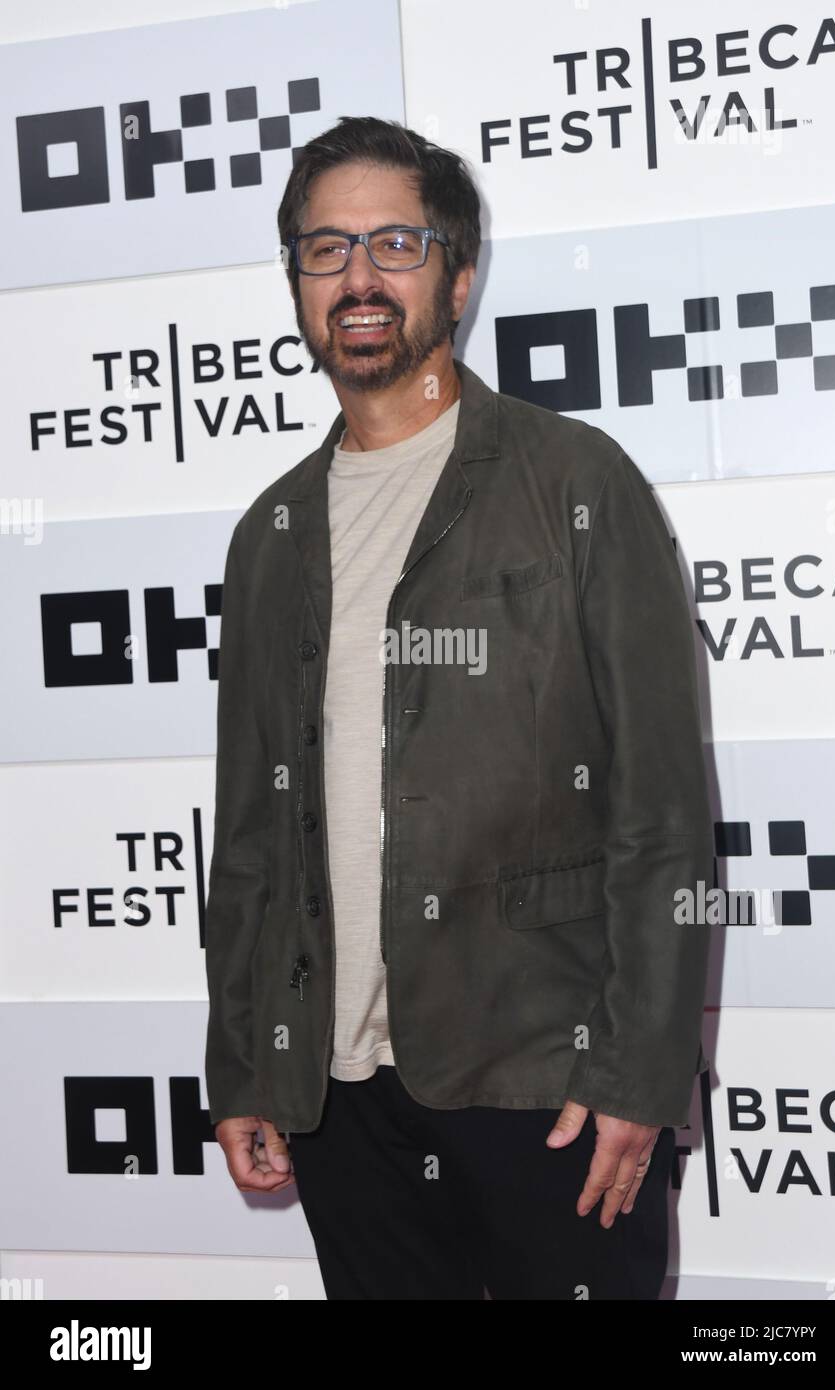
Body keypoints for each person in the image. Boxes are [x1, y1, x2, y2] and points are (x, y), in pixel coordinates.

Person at [204, 116, 714, 1300]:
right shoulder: (268, 535)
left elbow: (660, 808)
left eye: (395, 242)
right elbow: (247, 836)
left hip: (540, 1079)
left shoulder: (574, 480)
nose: (360, 278)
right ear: (295, 283)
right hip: (337, 1101)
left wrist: (639, 1072)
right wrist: (245, 1061)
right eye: (325, 250)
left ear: (458, 270)